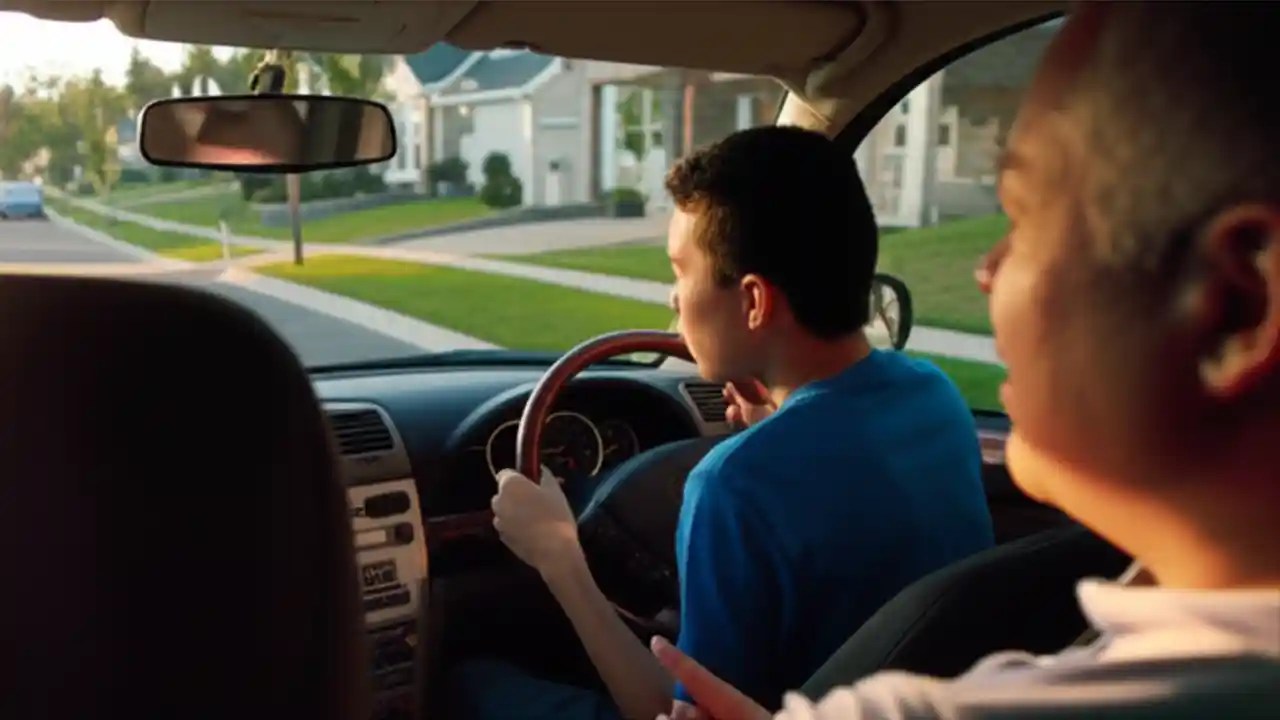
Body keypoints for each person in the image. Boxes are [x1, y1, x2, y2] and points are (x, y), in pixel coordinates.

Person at [650, 3, 1280, 718]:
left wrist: (559, 559)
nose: (987, 269)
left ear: (1238, 304)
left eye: (1023, 213)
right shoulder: (933, 391)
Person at [471, 126, 995, 720]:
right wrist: (775, 423)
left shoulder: (734, 485)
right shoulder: (935, 395)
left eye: (680, 271)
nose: (673, 299)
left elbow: (673, 712)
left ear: (753, 301)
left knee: (474, 683)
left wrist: (559, 558)